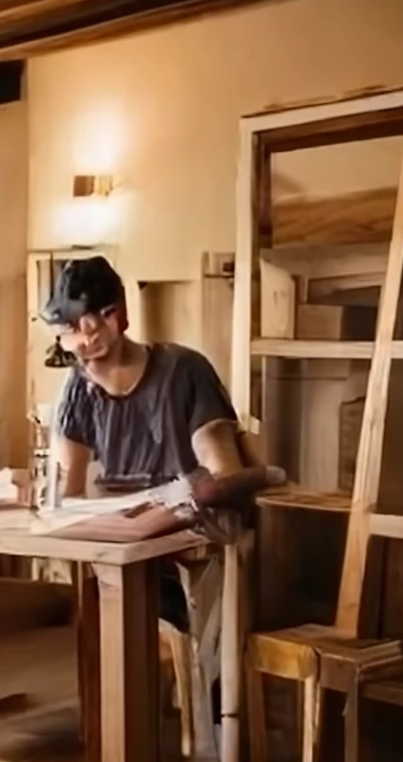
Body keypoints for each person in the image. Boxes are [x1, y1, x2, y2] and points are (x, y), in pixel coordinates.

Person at [43, 255, 264, 632]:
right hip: (122, 550)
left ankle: (185, 682)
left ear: (114, 318)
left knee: (166, 607)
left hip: (192, 552)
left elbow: (223, 472)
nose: (81, 346)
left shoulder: (185, 372)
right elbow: (67, 487)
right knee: (96, 605)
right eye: (69, 333)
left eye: (85, 328)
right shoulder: (79, 389)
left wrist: (178, 503)